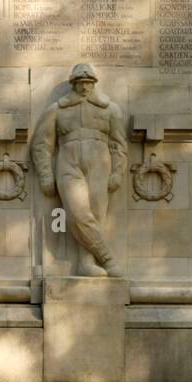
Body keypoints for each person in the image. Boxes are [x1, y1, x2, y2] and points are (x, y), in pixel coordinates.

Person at [31, 63, 128, 277]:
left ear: (94, 84)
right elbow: (41, 144)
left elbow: (118, 144)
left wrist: (118, 173)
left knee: (96, 214)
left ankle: (87, 263)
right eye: (81, 83)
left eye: (88, 83)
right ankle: (108, 259)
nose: (85, 87)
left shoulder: (111, 109)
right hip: (68, 162)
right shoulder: (57, 110)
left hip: (100, 163)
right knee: (77, 214)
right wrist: (46, 174)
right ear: (74, 84)